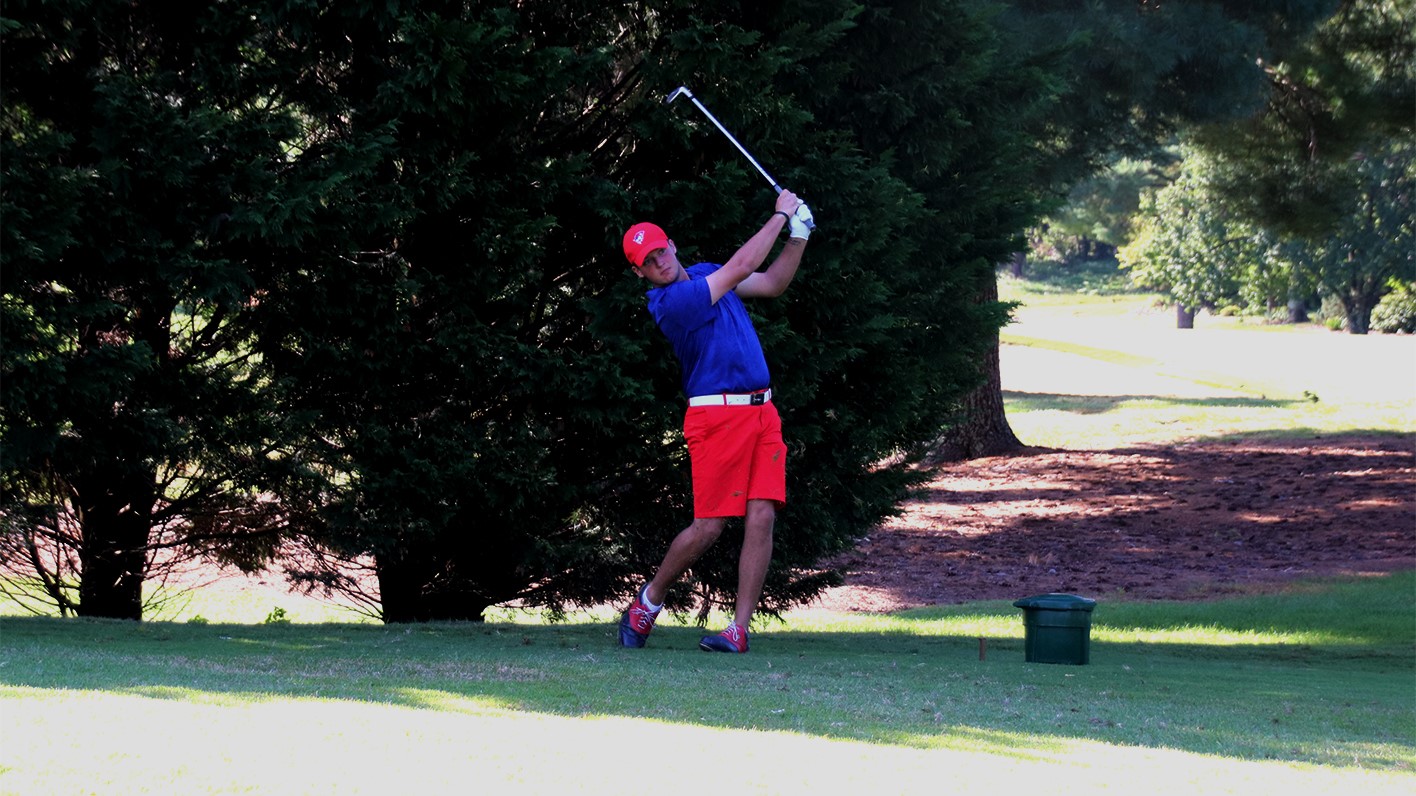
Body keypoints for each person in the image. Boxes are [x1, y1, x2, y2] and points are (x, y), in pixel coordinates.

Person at [617, 190, 813, 653]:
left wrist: (799, 236)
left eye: (661, 251)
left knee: (761, 516)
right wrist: (781, 215)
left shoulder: (706, 274)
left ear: (673, 246)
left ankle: (738, 630)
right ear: (639, 272)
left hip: (762, 412)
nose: (659, 262)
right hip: (716, 417)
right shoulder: (670, 303)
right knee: (709, 527)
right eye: (648, 261)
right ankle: (648, 600)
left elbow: (770, 284)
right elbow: (743, 266)